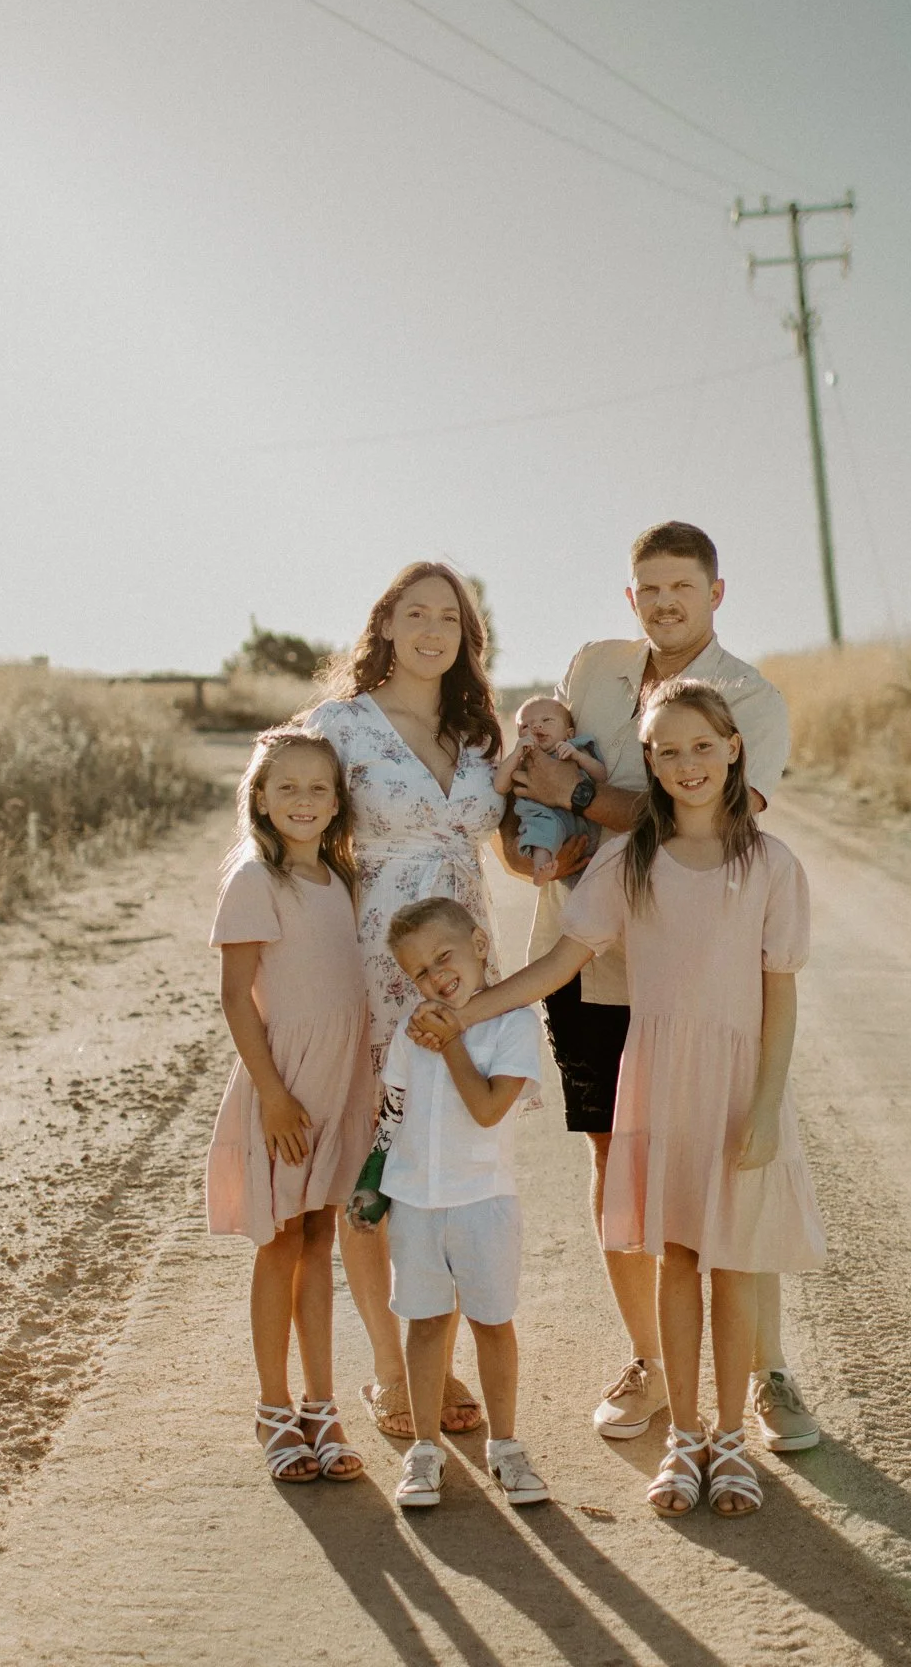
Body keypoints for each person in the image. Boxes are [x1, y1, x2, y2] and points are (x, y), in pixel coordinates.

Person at [413, 681, 824, 1517]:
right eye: (666, 751)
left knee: (735, 1262)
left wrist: (766, 1105)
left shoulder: (771, 864)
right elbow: (560, 962)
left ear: (734, 748)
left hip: (740, 1084)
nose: (686, 764)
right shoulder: (629, 859)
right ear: (647, 761)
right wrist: (471, 1007)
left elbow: (779, 995)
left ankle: (730, 1444)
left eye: (701, 746)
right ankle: (684, 1437)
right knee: (675, 1256)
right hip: (660, 1075)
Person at [500, 520, 820, 1452]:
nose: (665, 602)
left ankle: (765, 1371)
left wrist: (575, 802)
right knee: (615, 1159)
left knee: (732, 1165)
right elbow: (535, 776)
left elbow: (692, 818)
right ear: (628, 595)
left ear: (716, 593)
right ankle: (649, 1359)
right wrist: (528, 841)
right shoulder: (594, 667)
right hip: (588, 950)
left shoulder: (753, 702)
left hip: (705, 969)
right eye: (649, 587)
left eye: (683, 586)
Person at [305, 562, 507, 1441]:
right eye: (415, 613)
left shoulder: (480, 733)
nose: (432, 630)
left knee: (446, 1157)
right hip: (371, 953)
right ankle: (389, 1369)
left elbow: (530, 845)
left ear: (468, 636)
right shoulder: (337, 726)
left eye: (449, 619)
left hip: (467, 957)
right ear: (384, 624)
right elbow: (281, 824)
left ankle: (437, 1353)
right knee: (376, 1158)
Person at [206, 728, 374, 1485]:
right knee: (280, 1243)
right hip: (288, 1088)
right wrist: (272, 1095)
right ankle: (273, 1406)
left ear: (336, 802)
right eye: (288, 788)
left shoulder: (340, 876)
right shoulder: (254, 878)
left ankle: (321, 1403)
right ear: (261, 799)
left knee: (318, 1242)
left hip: (338, 1083)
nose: (304, 801)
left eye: (318, 789)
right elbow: (236, 998)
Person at [348, 896, 549, 1509]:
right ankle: (426, 1451)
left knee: (491, 1321)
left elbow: (489, 1110)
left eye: (445, 958)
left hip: (482, 1201)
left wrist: (452, 1041)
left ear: (480, 944)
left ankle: (506, 1447)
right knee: (427, 1320)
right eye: (421, 973)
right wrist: (373, 1183)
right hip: (416, 1202)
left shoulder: (513, 1022)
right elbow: (394, 1115)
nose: (436, 979)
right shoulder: (414, 1028)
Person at [492, 694, 607, 884]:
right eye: (525, 726)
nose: (536, 727)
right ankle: (540, 869)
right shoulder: (523, 760)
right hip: (543, 814)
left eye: (547, 720)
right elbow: (500, 785)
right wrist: (516, 754)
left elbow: (601, 776)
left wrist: (578, 757)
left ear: (569, 733)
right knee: (543, 830)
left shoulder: (575, 749)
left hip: (581, 820)